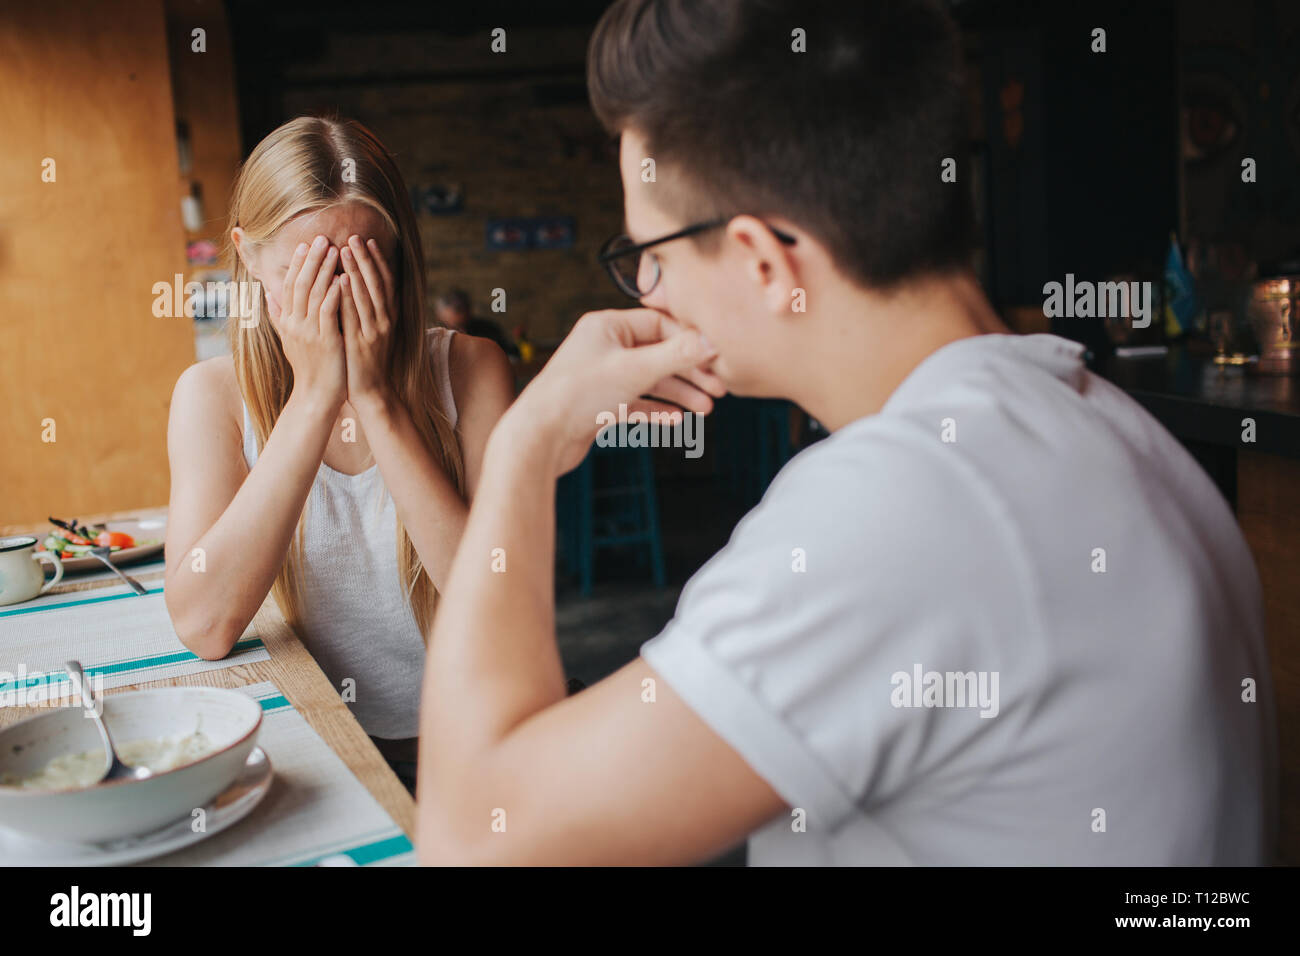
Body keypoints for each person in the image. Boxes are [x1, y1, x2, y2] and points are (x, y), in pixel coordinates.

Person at [414, 0, 1276, 864]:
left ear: (762, 258)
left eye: (654, 254)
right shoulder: (1115, 421)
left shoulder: (901, 505)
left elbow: (472, 838)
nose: (647, 288)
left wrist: (524, 445)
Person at [163, 117, 515, 795]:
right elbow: (206, 625)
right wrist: (314, 399)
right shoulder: (211, 396)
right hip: (310, 756)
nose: (338, 293)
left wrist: (378, 401)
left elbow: (498, 604)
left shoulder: (471, 369)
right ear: (250, 255)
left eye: (361, 262)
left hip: (472, 744)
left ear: (400, 256)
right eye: (310, 267)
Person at [434, 289, 518, 358]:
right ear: (440, 314)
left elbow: (508, 353)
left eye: (463, 325)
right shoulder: (435, 339)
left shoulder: (488, 329)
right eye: (455, 327)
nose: (461, 331)